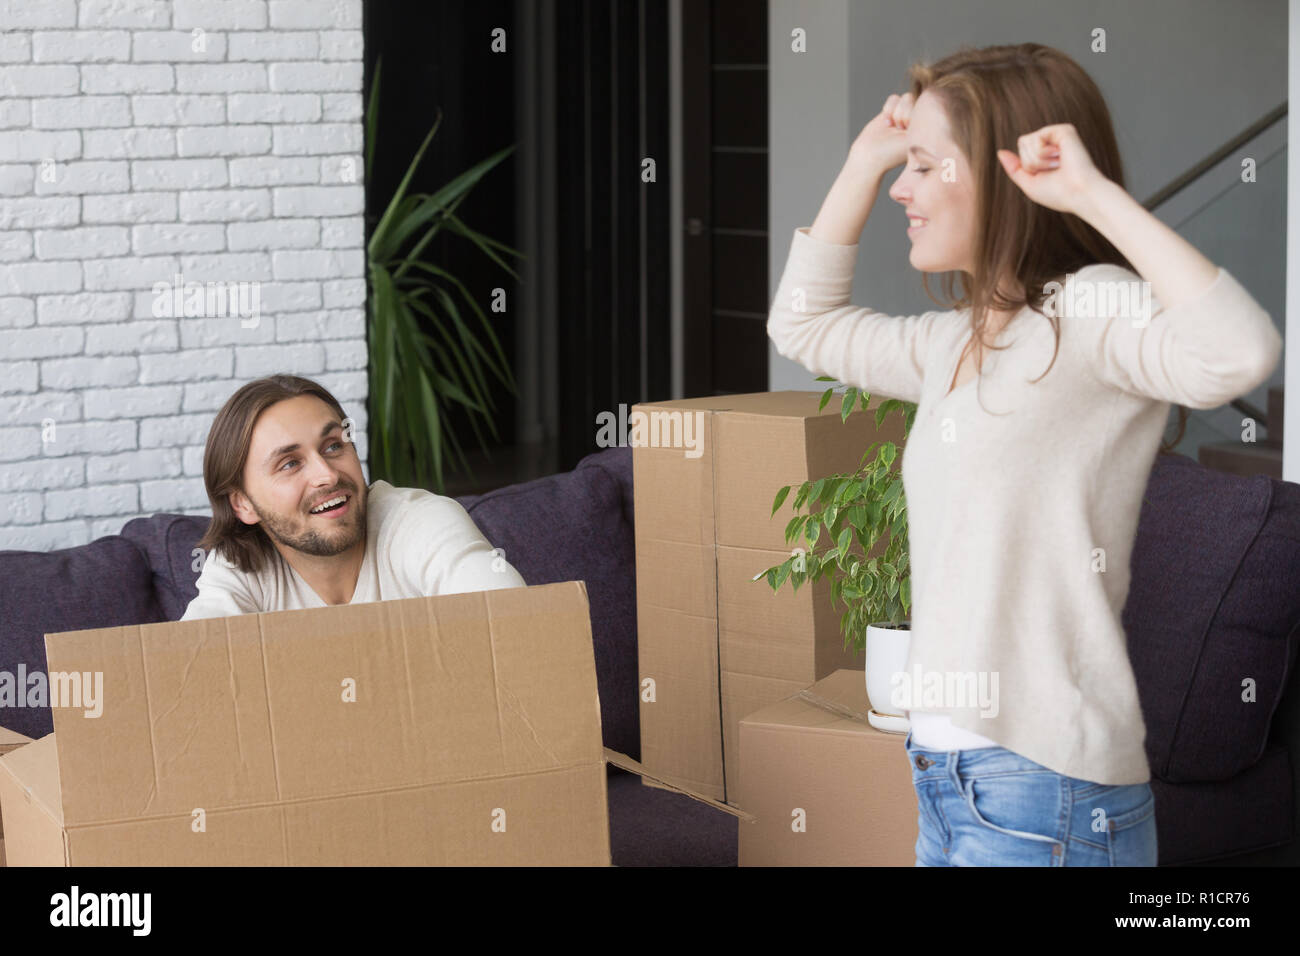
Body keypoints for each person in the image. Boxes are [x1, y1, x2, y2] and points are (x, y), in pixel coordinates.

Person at [767, 43, 1282, 866]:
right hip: (949, 777)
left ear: (1007, 178)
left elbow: (1241, 353)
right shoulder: (958, 342)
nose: (904, 187)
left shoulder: (1091, 313)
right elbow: (802, 326)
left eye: (925, 167)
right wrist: (865, 161)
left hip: (1044, 789)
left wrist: (1094, 197)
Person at [180, 374, 526, 621]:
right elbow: (193, 676)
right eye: (289, 463)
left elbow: (517, 625)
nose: (327, 475)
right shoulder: (240, 568)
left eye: (333, 446)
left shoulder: (421, 522)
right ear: (243, 504)